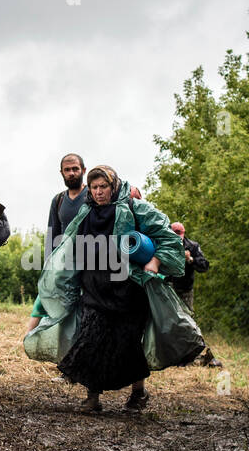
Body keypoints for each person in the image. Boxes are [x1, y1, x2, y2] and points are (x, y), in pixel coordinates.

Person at [44, 165, 183, 413]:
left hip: (128, 289)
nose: (98, 192)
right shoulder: (86, 212)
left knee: (128, 342)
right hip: (94, 287)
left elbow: (168, 236)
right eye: (94, 187)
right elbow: (69, 243)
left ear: (113, 186)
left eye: (104, 187)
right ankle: (92, 397)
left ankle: (138, 393)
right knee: (90, 338)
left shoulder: (134, 207)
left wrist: (155, 261)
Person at [165, 221, 220, 367]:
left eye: (179, 235)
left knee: (188, 322)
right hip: (168, 289)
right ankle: (173, 355)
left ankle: (195, 353)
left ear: (183, 234)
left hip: (185, 291)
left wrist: (190, 259)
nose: (177, 238)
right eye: (174, 234)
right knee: (169, 323)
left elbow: (204, 265)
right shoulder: (164, 243)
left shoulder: (193, 246)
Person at [46, 153, 86, 256]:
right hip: (65, 264)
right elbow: (52, 237)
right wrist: (49, 266)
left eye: (75, 169)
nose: (71, 173)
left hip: (92, 263)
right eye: (67, 170)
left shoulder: (95, 196)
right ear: (61, 173)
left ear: (84, 170)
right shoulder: (58, 200)